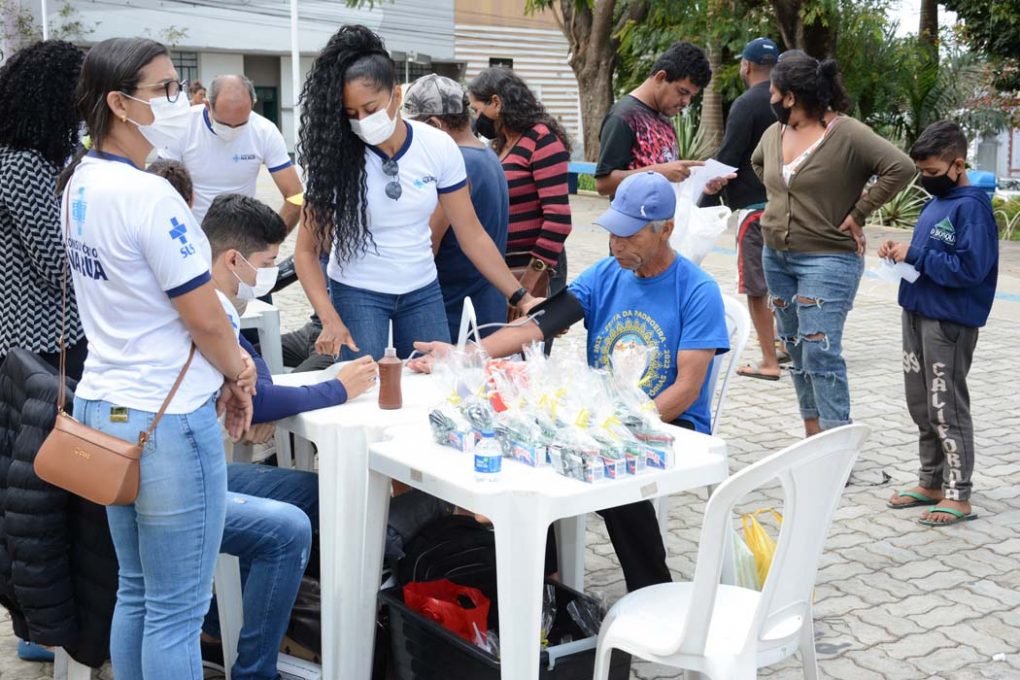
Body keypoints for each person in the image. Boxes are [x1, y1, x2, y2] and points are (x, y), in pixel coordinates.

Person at [411, 172, 730, 591]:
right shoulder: (605, 274)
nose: (617, 244)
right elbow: (536, 326)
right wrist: (461, 355)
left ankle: (654, 590)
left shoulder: (697, 290)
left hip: (667, 422)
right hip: (599, 416)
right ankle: (548, 586)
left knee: (617, 486)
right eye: (613, 232)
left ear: (666, 230)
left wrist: (620, 430)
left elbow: (687, 390)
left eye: (630, 236)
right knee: (531, 450)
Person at [59, 37, 255, 679]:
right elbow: (202, 314)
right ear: (119, 103)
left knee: (139, 590)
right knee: (177, 608)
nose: (182, 101)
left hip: (105, 406)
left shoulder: (80, 183)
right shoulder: (150, 196)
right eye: (167, 90)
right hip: (162, 420)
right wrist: (239, 371)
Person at [197, 192, 378, 678]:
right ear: (232, 259)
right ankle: (255, 669)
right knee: (288, 528)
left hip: (205, 468)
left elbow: (262, 382)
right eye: (267, 263)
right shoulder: (204, 307)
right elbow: (266, 395)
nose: (270, 275)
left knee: (315, 494)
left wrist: (254, 396)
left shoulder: (221, 304)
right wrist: (335, 388)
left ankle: (218, 626)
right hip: (186, 478)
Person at [294, 24, 538, 362]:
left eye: (370, 109)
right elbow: (305, 253)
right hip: (358, 292)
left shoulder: (436, 146)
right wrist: (329, 316)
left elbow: (472, 236)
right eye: (351, 114)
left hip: (421, 291)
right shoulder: (333, 156)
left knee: (431, 386)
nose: (362, 121)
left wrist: (521, 296)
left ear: (396, 96)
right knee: (366, 392)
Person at [751, 53, 913, 437]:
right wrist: (782, 201)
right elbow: (759, 165)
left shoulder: (846, 133)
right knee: (795, 348)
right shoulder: (774, 134)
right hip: (776, 256)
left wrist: (858, 211)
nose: (768, 98)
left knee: (821, 350)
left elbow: (901, 167)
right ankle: (812, 435)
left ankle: (835, 443)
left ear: (790, 96)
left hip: (827, 259)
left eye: (773, 91)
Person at [881, 121, 998, 526]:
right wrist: (901, 253)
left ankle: (958, 494)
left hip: (947, 322)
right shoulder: (936, 204)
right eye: (922, 173)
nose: (926, 180)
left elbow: (970, 270)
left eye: (932, 173)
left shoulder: (973, 208)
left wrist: (915, 255)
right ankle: (930, 481)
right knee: (922, 403)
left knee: (946, 403)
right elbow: (926, 255)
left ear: (958, 164)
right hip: (916, 312)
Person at [0, 40, 87, 382]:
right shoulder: (23, 163)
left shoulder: (40, 154)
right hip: (39, 336)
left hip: (45, 331)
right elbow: (56, 265)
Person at [403, 73, 510, 341]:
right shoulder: (488, 156)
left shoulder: (455, 166)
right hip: (486, 302)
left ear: (434, 125)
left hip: (454, 311)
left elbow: (428, 243)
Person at [704, 37, 787, 381]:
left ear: (746, 66)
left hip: (754, 211)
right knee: (784, 280)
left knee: (756, 286)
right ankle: (784, 344)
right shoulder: (791, 102)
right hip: (789, 208)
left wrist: (704, 196)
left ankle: (768, 360)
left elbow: (729, 158)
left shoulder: (746, 103)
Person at [467, 67, 571, 307]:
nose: (475, 117)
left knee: (529, 343)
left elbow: (559, 220)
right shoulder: (502, 144)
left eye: (477, 109)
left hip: (534, 271)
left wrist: (527, 284)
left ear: (496, 103)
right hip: (507, 272)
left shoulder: (541, 140)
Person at [160, 74, 302, 228]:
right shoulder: (182, 126)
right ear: (208, 105)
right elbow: (160, 190)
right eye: (224, 124)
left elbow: (296, 196)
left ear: (251, 105)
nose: (232, 130)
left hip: (240, 236)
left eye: (241, 124)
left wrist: (273, 241)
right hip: (191, 231)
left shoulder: (265, 131)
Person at [595, 41, 713, 197]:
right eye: (682, 92)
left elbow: (670, 178)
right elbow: (603, 184)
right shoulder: (623, 116)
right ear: (661, 77)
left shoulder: (664, 117)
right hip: (633, 220)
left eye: (691, 96)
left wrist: (702, 186)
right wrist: (657, 173)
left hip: (667, 220)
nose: (686, 102)